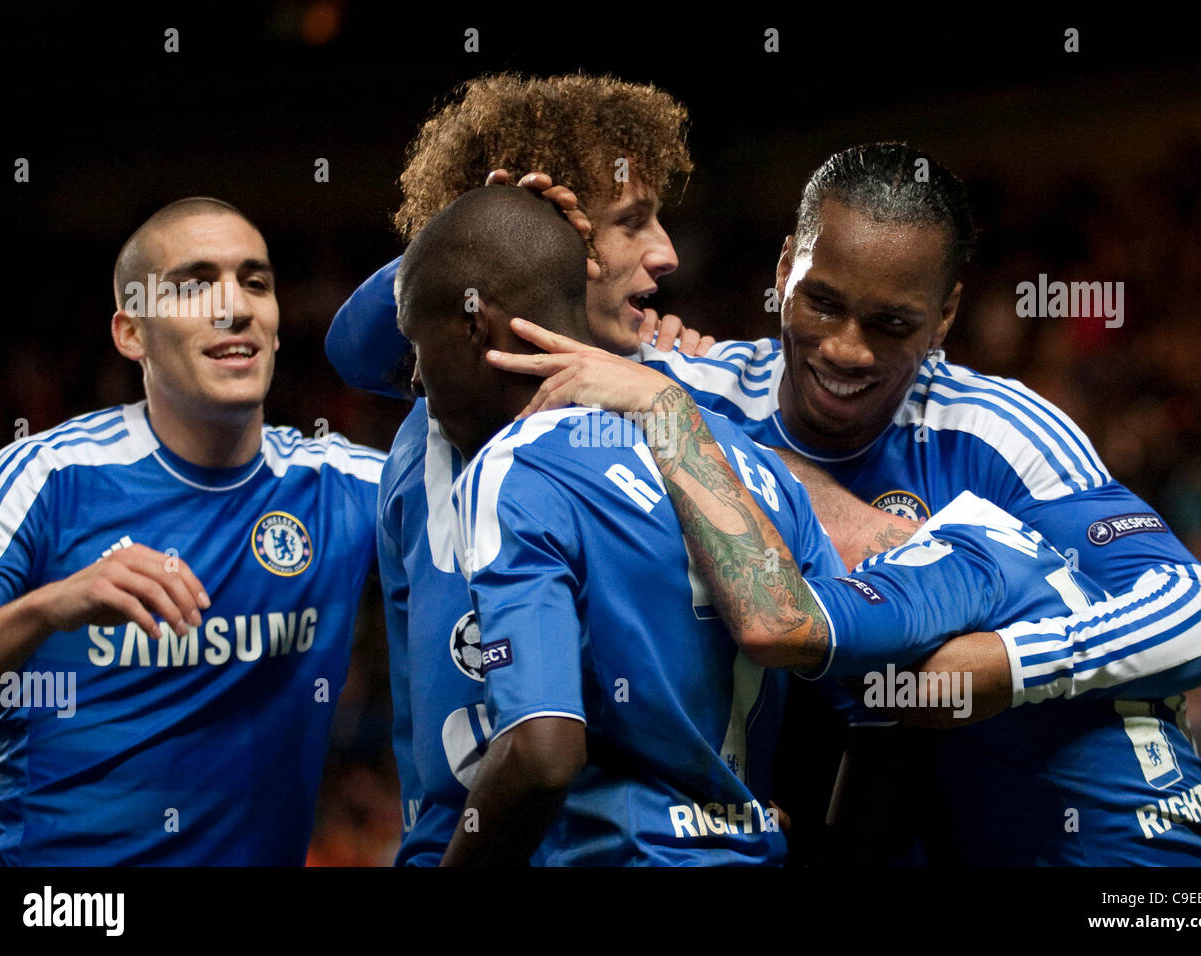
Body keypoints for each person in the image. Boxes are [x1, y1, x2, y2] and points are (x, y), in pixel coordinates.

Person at [327, 74, 913, 864]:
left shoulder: (679, 407)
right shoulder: (449, 407)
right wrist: (478, 218)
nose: (667, 252)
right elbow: (356, 344)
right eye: (632, 222)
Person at [488, 322, 1201, 864]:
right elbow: (885, 760)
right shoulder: (977, 552)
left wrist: (668, 410)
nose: (748, 544)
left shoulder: (943, 570)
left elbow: (776, 618)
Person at [406, 184, 983, 865]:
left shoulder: (515, 469)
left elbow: (543, 752)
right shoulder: (751, 466)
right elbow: (879, 703)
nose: (414, 379)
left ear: (476, 325)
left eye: (417, 345)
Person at [0, 197, 383, 865]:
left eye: (256, 282)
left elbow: (509, 502)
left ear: (277, 327)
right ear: (131, 333)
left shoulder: (344, 486)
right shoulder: (45, 478)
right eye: (195, 284)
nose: (236, 305)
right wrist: (54, 605)